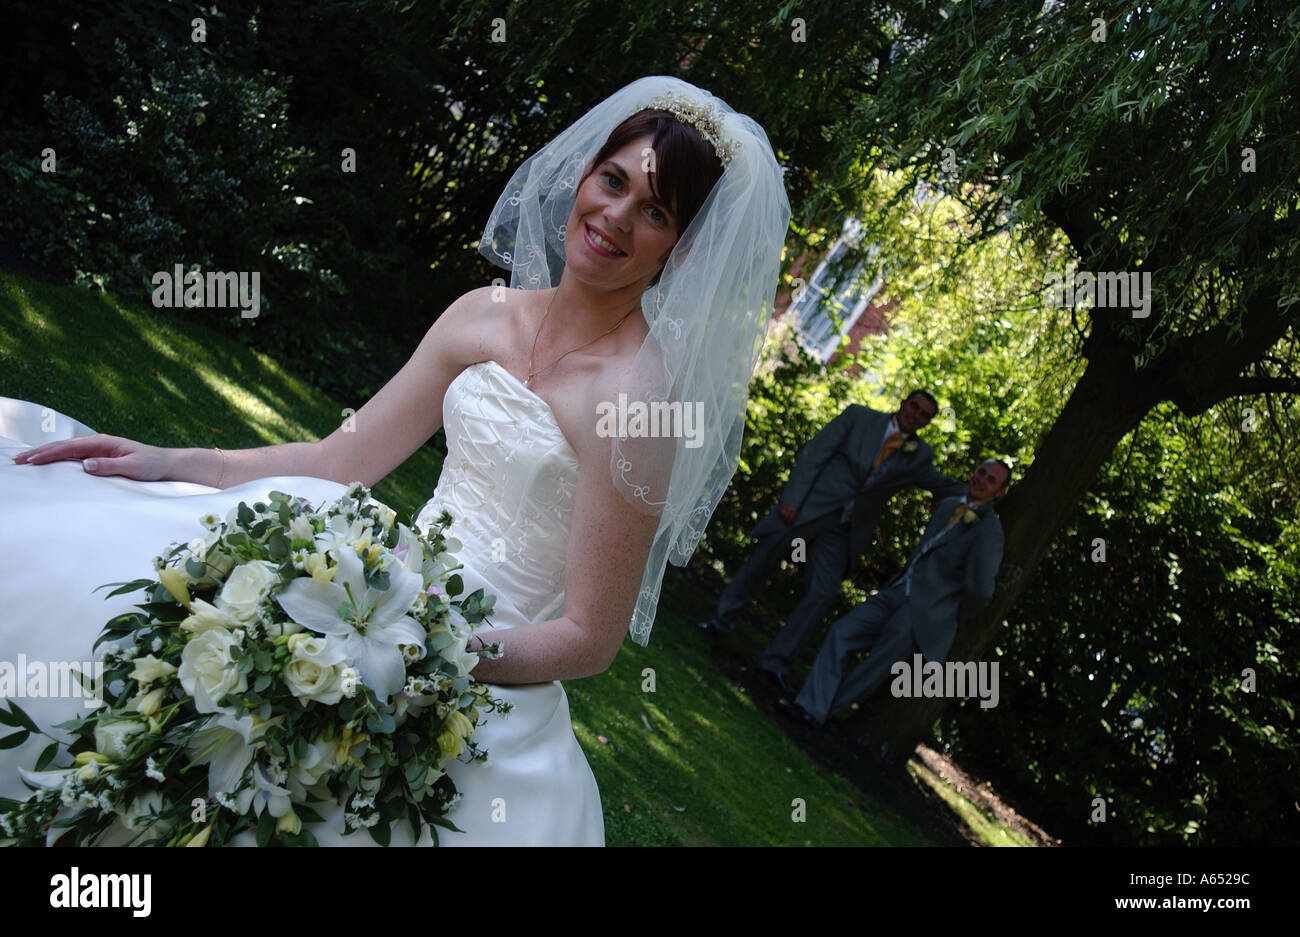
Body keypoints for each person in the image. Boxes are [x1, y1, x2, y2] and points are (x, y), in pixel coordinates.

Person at [0, 75, 791, 845]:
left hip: (477, 665)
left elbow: (589, 635)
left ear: (679, 249)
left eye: (654, 211)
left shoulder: (639, 399)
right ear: (581, 174)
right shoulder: (482, 313)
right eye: (612, 179)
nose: (615, 216)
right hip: (373, 583)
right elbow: (338, 457)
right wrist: (172, 458)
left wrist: (428, 649)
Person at [703, 392, 965, 692]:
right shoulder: (859, 417)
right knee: (762, 561)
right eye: (914, 407)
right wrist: (791, 499)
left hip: (844, 530)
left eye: (924, 415)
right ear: (903, 403)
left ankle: (774, 663)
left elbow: (939, 482)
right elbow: (817, 453)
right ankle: (720, 621)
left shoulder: (919, 455)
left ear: (926, 423)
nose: (916, 415)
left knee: (823, 593)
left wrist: (979, 500)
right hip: (808, 509)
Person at [784, 458, 1009, 727]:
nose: (981, 479)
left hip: (924, 612)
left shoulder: (989, 531)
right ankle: (812, 706)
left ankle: (819, 713)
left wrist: (946, 612)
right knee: (842, 632)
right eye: (981, 472)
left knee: (876, 665)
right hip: (897, 590)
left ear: (999, 493)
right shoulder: (949, 505)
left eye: (991, 480)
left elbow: (982, 590)